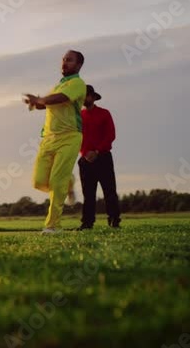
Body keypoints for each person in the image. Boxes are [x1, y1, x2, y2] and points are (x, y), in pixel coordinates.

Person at [23, 50, 86, 234]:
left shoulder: (77, 84)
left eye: (69, 60)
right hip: (49, 138)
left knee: (57, 182)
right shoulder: (58, 86)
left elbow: (61, 98)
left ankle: (52, 226)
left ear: (79, 65)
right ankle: (69, 183)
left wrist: (40, 99)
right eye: (63, 59)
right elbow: (46, 103)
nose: (64, 63)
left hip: (69, 137)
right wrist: (35, 103)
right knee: (38, 181)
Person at [77, 84, 121, 229]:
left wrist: (96, 151)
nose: (83, 98)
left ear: (93, 97)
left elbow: (110, 135)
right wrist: (84, 153)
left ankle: (114, 220)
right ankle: (87, 223)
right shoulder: (78, 116)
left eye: (86, 96)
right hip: (85, 160)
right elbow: (76, 137)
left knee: (109, 191)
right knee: (88, 194)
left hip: (103, 158)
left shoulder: (104, 113)